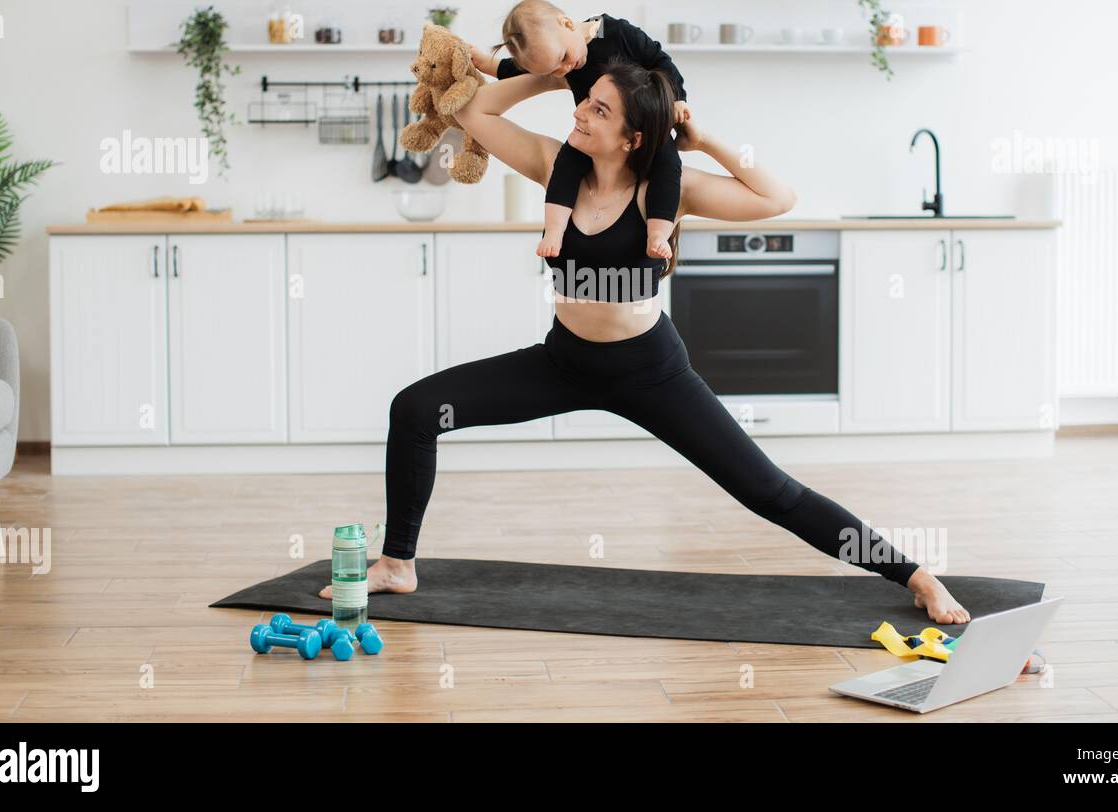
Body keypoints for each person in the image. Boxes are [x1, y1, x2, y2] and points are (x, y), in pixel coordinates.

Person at [319, 57, 970, 625]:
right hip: (563, 362)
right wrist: (545, 78)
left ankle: (911, 573)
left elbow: (778, 196)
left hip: (651, 372)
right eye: (585, 100)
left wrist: (703, 136)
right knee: (414, 409)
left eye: (599, 109)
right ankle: (398, 563)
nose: (582, 112)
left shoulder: (667, 190)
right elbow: (479, 113)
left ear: (632, 138)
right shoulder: (555, 165)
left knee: (770, 492)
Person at [470, 0, 687, 262]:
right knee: (566, 163)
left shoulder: (615, 32)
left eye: (562, 58)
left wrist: (677, 99)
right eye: (552, 70)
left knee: (668, 165)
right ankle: (554, 230)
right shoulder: (555, 57)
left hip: (647, 129)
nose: (563, 70)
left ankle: (657, 234)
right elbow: (513, 70)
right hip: (594, 139)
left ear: (567, 23)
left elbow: (659, 60)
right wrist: (485, 63)